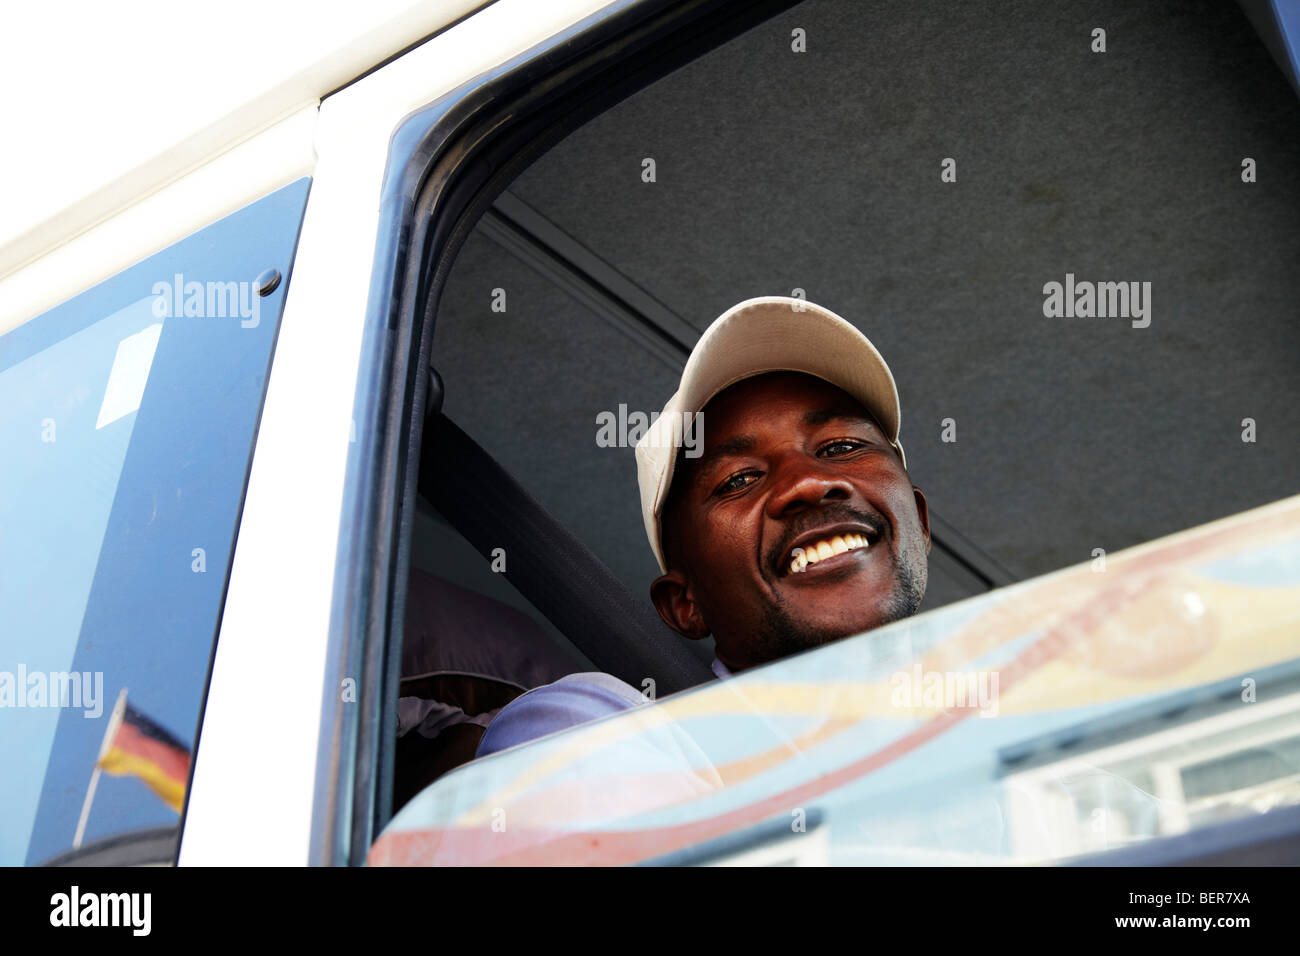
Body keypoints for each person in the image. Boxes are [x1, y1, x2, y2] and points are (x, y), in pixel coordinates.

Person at [476, 295, 931, 755]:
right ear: (684, 604)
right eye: (740, 479)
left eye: (840, 447)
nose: (809, 482)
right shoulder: (593, 730)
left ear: (921, 522)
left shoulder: (999, 720)